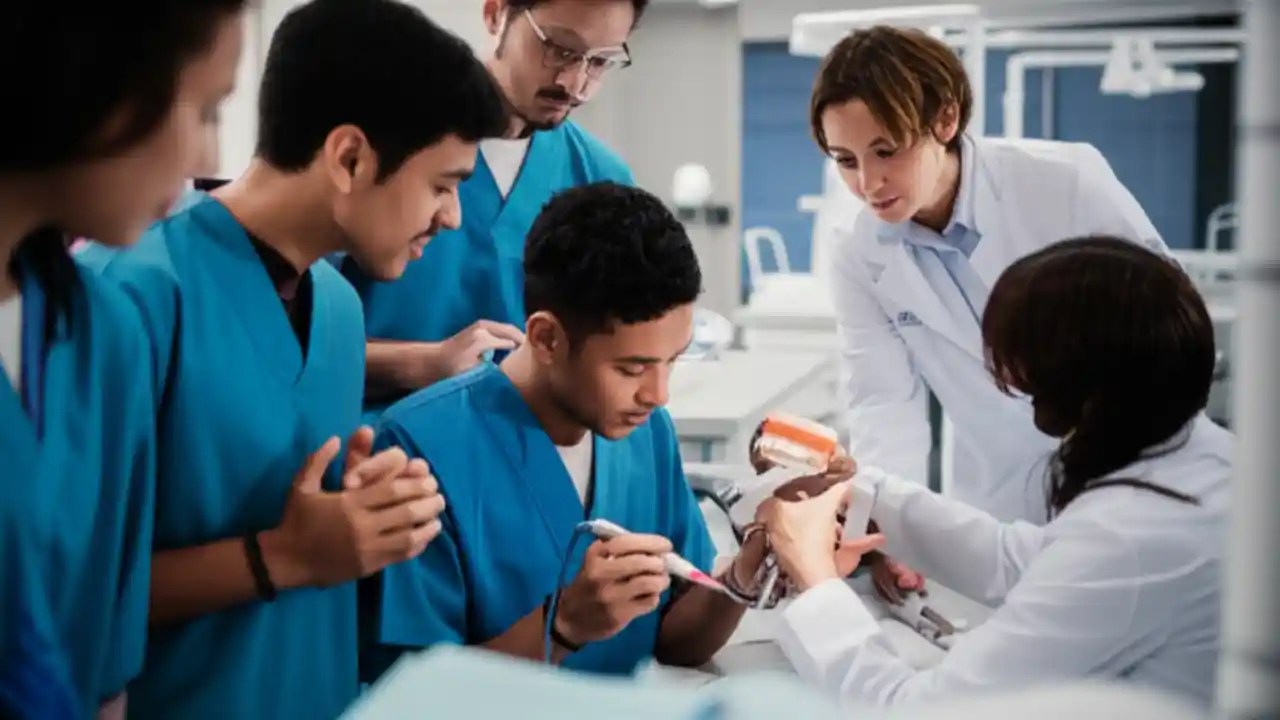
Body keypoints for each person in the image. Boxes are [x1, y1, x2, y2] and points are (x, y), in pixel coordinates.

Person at [81, 2, 506, 718]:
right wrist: (284, 556)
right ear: (349, 158)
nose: (453, 217)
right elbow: (66, 594)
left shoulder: (339, 311)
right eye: (444, 183)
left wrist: (357, 515)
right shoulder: (129, 294)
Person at [362, 183, 820, 680]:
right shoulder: (421, 448)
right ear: (547, 339)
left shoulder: (647, 435)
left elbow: (676, 641)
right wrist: (565, 626)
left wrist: (750, 563)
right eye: (631, 369)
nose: (658, 394)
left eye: (673, 360)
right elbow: (414, 698)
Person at [761, 237, 1230, 708]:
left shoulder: (1130, 539)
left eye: (1029, 378)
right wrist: (859, 490)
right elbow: (1024, 561)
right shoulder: (1204, 460)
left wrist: (814, 579)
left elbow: (919, 712)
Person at [814, 27, 1169, 527]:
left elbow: (1169, 331)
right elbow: (884, 401)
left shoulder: (1066, 182)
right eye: (847, 161)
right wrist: (889, 526)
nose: (868, 183)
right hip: (999, 498)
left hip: (1130, 473)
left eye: (887, 150)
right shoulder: (857, 249)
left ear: (945, 118)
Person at [0, 4, 245, 717]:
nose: (206, 159)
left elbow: (105, 662)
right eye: (204, 110)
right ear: (97, 82)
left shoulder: (99, 336)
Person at [341, 0, 642, 423]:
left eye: (601, 61)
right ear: (496, 13)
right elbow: (278, 346)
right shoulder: (385, 145)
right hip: (379, 457)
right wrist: (423, 363)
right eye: (559, 48)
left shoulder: (601, 179)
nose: (575, 83)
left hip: (523, 461)